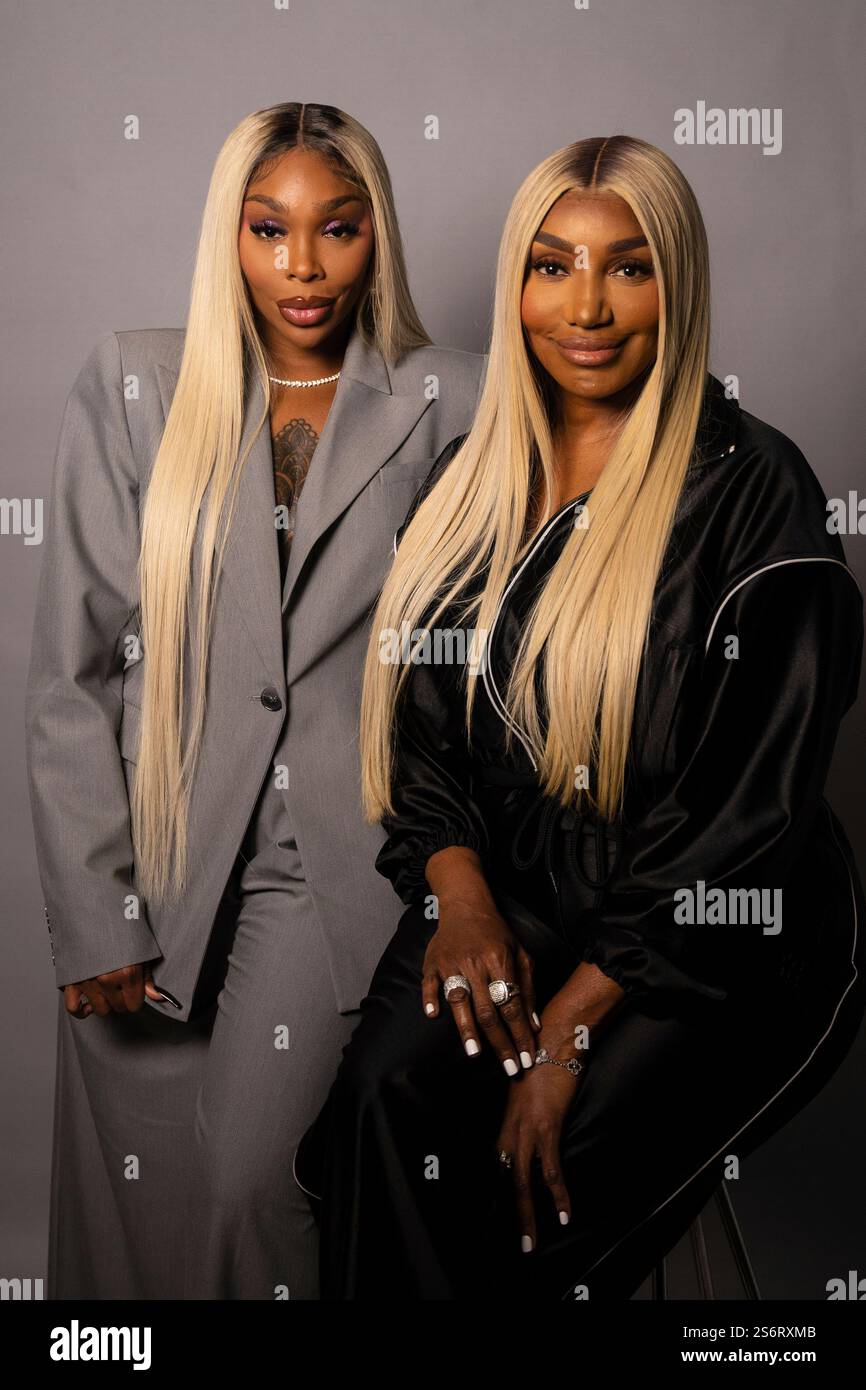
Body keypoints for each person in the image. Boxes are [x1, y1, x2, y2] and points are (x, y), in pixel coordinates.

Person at [296, 134, 866, 1301]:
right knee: (373, 1118)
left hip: (707, 924)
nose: (587, 306)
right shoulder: (468, 480)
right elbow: (420, 732)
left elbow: (743, 806)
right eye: (552, 265)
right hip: (513, 888)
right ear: (517, 287)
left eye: (628, 266)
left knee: (526, 1195)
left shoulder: (755, 489)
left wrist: (563, 1035)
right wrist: (456, 899)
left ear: (678, 284)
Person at [24, 101, 484, 1300]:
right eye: (268, 228)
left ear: (374, 236)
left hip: (337, 862)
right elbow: (67, 670)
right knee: (148, 1219)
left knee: (247, 1183)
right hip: (165, 855)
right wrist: (93, 905)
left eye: (336, 230)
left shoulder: (458, 400)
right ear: (226, 232)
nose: (301, 266)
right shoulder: (137, 383)